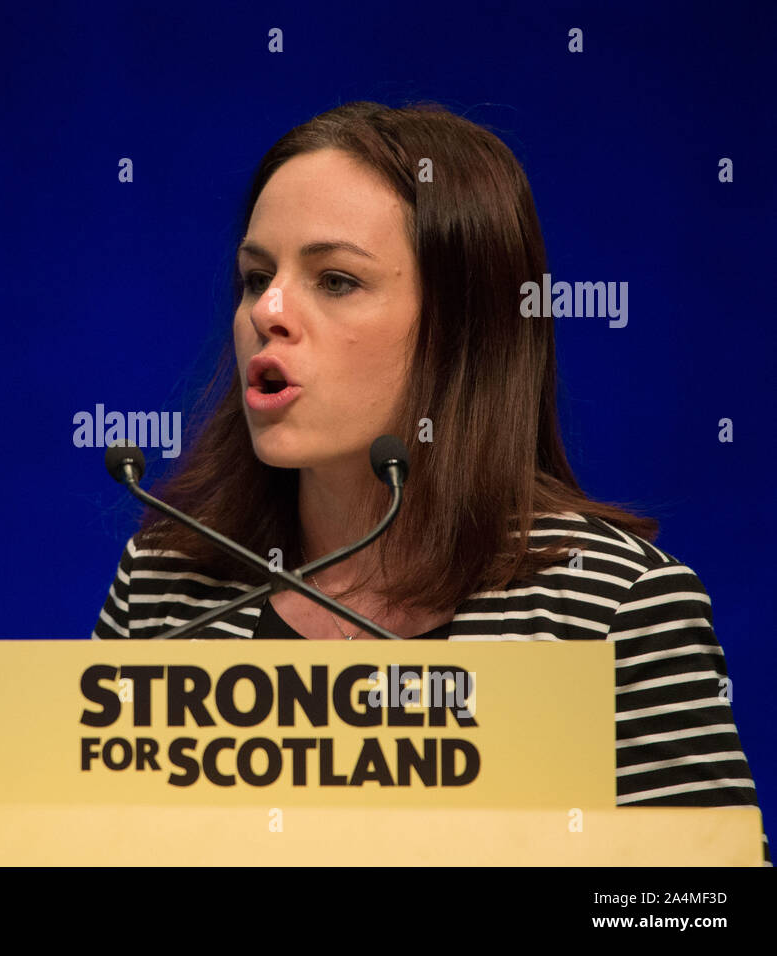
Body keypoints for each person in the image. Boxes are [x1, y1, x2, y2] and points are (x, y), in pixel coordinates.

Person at [91, 101, 769, 865]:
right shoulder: (167, 585)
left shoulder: (613, 607)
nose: (268, 312)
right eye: (256, 278)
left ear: (462, 327)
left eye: (336, 279)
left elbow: (698, 914)